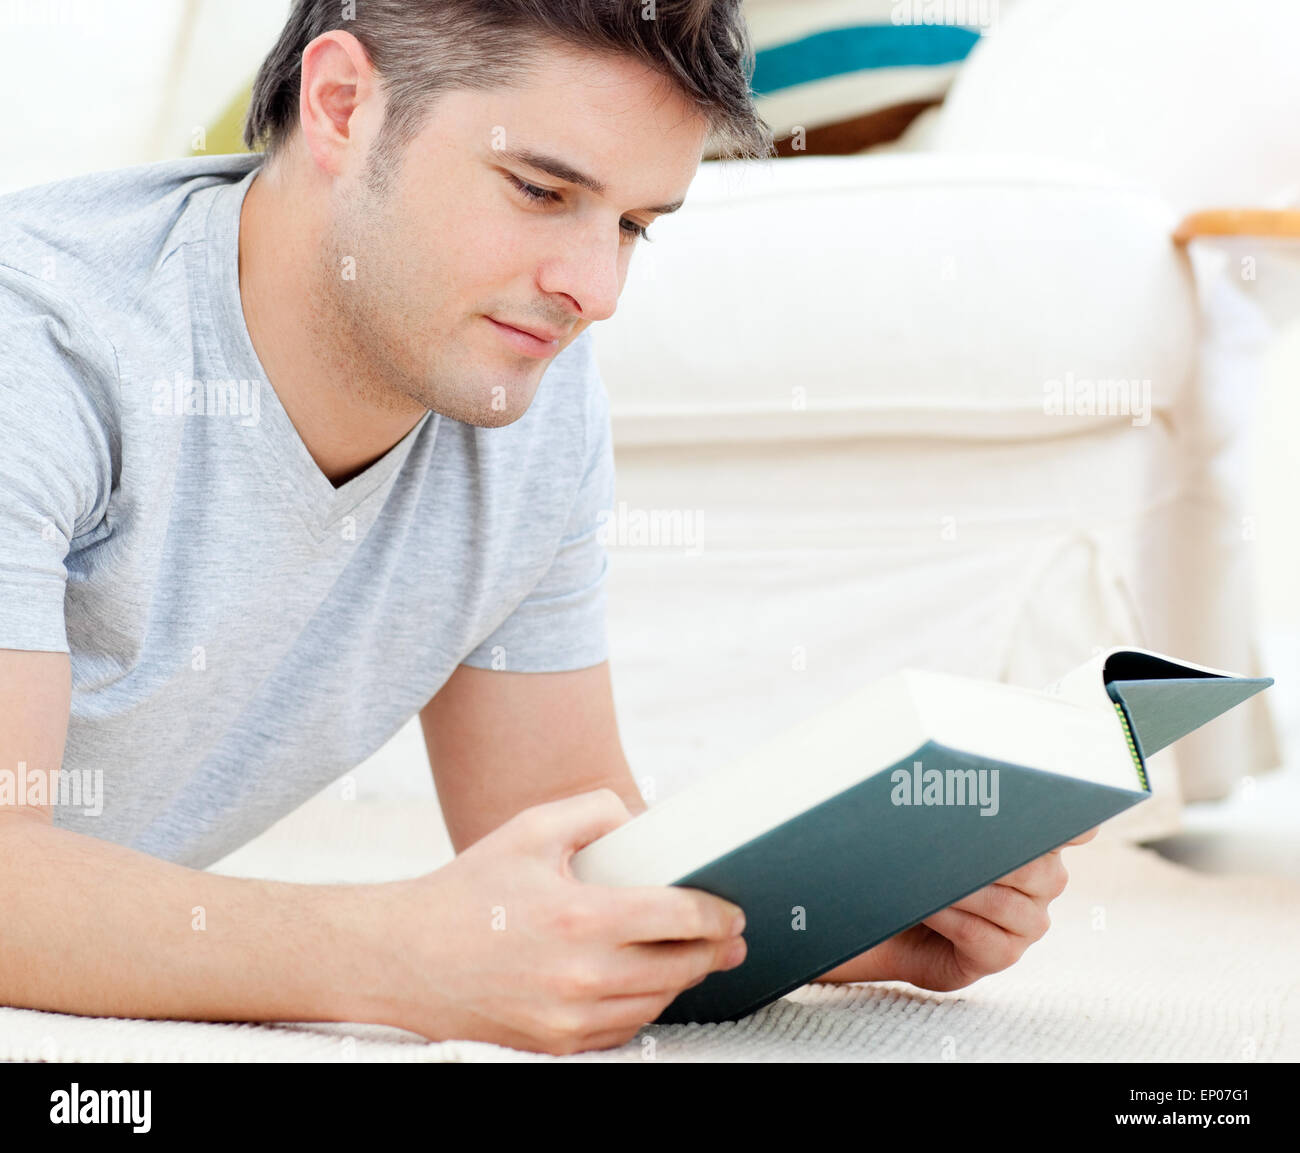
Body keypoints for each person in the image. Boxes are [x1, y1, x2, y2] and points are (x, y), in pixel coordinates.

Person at [0, 0, 1092, 1056]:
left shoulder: (518, 392)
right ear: (340, 105)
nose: (595, 289)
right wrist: (392, 955)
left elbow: (574, 853)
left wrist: (846, 915)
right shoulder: (37, 346)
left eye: (631, 226)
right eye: (538, 189)